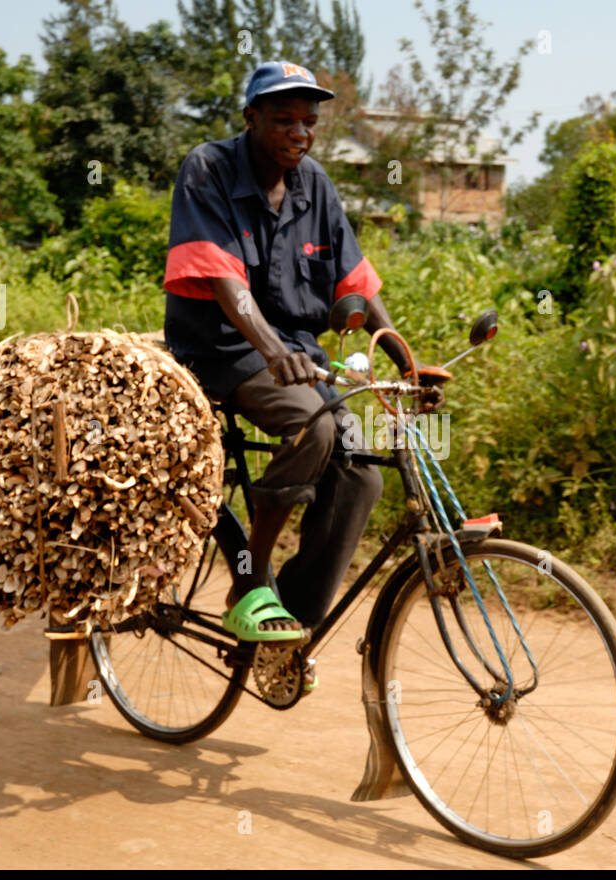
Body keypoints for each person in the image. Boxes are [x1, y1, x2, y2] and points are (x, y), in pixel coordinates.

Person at [162, 61, 424, 654]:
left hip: (297, 356)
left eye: (309, 121)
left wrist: (408, 363)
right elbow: (228, 287)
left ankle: (294, 621)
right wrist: (274, 351)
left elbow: (354, 283)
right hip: (221, 349)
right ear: (251, 117)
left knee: (360, 470)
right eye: (283, 120)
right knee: (314, 425)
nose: (299, 133)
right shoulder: (208, 168)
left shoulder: (316, 185)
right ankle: (251, 580)